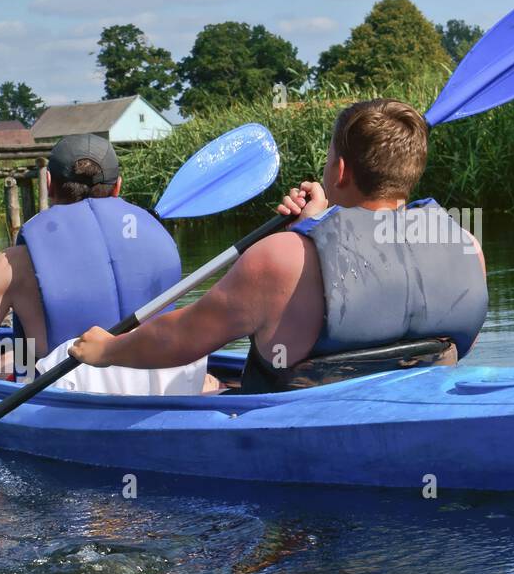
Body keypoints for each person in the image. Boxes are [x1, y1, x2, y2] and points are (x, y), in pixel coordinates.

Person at [69, 99, 488, 392]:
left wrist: (108, 349)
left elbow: (182, 338)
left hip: (300, 464)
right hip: (415, 407)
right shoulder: (466, 244)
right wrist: (316, 226)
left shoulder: (280, 258)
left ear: (339, 169)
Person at [0, 133, 213, 394]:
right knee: (211, 380)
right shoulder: (159, 239)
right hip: (165, 379)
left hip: (72, 388)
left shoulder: (14, 263)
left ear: (48, 183)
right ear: (118, 186)